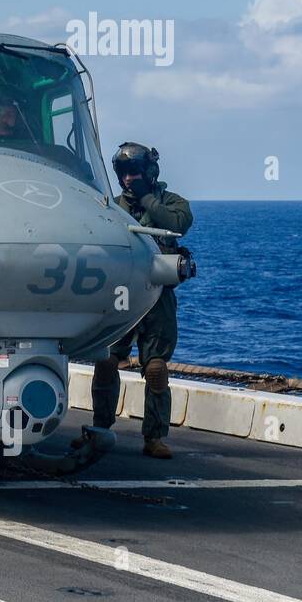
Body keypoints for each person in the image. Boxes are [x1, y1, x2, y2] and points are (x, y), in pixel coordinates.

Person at [92, 142, 193, 459]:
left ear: (149, 173)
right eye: (123, 175)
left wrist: (147, 198)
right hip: (122, 293)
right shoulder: (111, 206)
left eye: (134, 174)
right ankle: (100, 429)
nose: (127, 181)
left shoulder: (173, 203)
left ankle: (154, 437)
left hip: (158, 297)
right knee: (107, 361)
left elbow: (176, 225)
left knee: (156, 368)